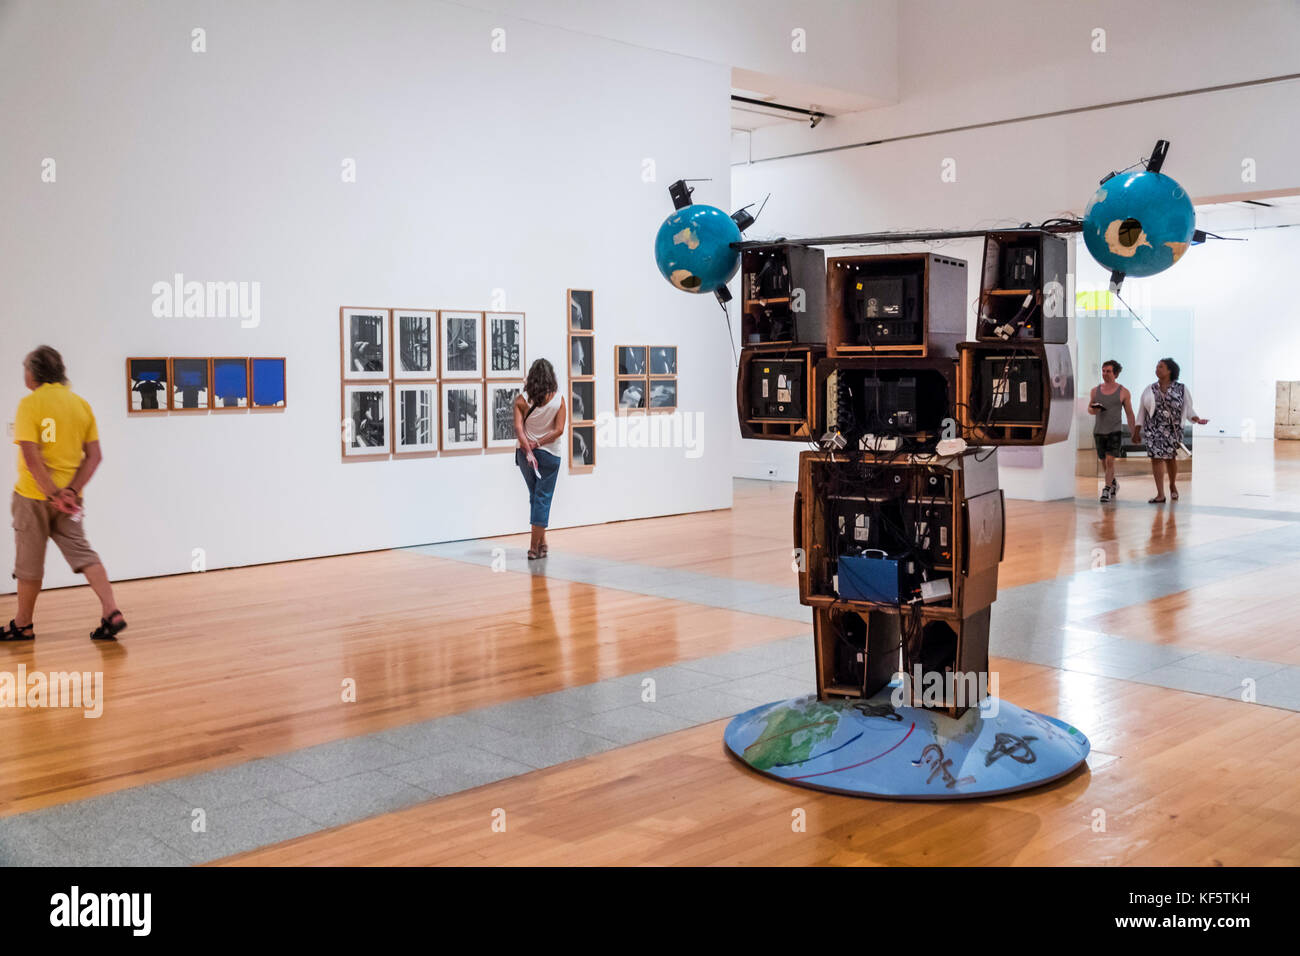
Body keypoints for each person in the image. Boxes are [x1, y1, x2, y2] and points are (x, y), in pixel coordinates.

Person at [4, 346, 127, 642]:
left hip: (33, 497)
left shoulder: (29, 405)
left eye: (26, 370)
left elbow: (32, 460)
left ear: (33, 373)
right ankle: (111, 611)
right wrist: (70, 492)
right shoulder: (80, 404)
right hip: (71, 502)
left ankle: (23, 625)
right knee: (83, 553)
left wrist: (52, 494)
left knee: (29, 564)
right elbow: (94, 456)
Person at [1133, 357, 1208, 504]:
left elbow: (1188, 408)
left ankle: (1172, 484)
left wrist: (1196, 419)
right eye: (1156, 366)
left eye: (1161, 367)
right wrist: (1137, 431)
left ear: (1170, 370)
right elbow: (1141, 411)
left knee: (1170, 459)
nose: (1157, 369)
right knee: (1156, 459)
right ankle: (1160, 494)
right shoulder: (1149, 389)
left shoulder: (1181, 388)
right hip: (1153, 429)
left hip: (1173, 430)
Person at [514, 358, 567, 560]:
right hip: (550, 455)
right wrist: (538, 444)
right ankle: (534, 547)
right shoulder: (559, 400)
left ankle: (542, 543)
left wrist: (529, 449)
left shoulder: (521, 400)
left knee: (536, 497)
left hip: (525, 456)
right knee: (542, 499)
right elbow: (559, 430)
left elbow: (519, 430)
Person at [1088, 359, 1136, 502]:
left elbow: (1129, 413)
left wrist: (1134, 432)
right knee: (1103, 461)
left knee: (1110, 461)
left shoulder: (1124, 392)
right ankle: (1113, 483)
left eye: (1108, 371)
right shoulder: (1095, 391)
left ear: (1115, 374)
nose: (1105, 374)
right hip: (1099, 431)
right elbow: (1090, 410)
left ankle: (1106, 489)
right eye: (1103, 371)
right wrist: (1094, 409)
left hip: (1114, 431)